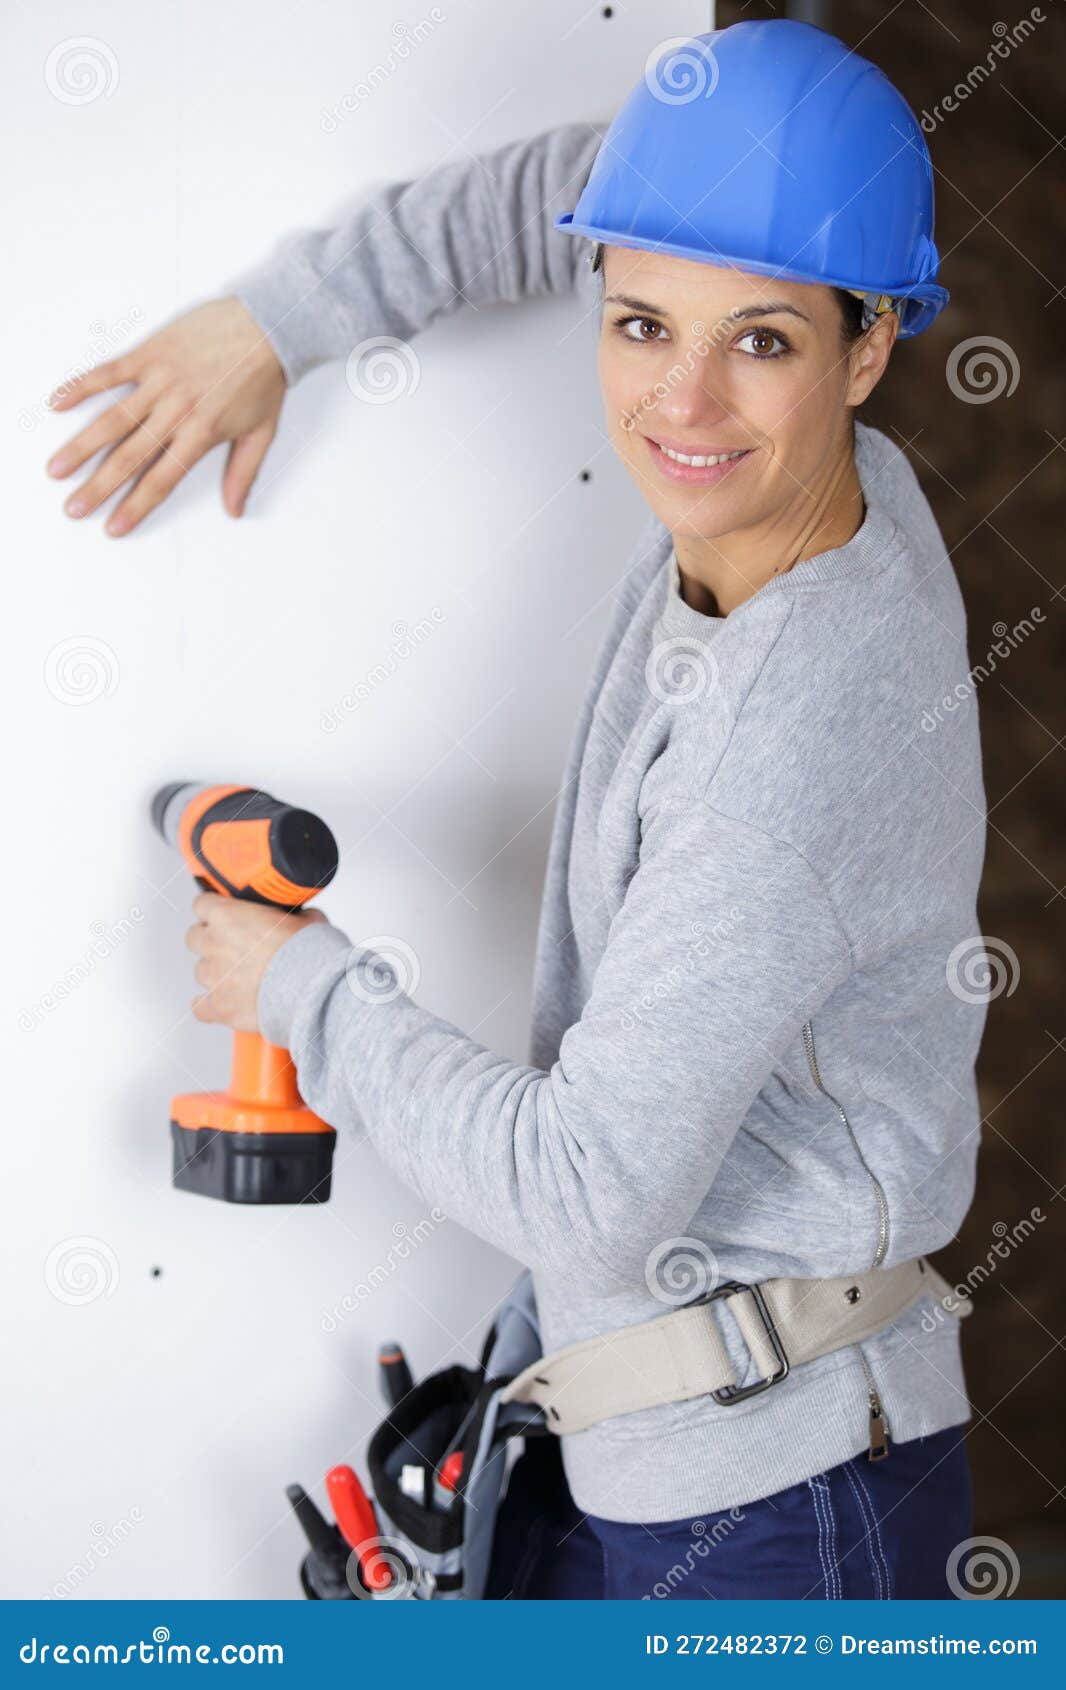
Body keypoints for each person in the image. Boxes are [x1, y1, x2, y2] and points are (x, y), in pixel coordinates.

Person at [48, 20, 986, 1598]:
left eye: (758, 342)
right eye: (635, 322)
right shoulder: (787, 458)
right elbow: (550, 200)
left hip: (783, 1507)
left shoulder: (797, 732)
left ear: (869, 342)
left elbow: (588, 1188)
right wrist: (279, 320)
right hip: (644, 1438)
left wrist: (301, 989)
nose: (678, 400)